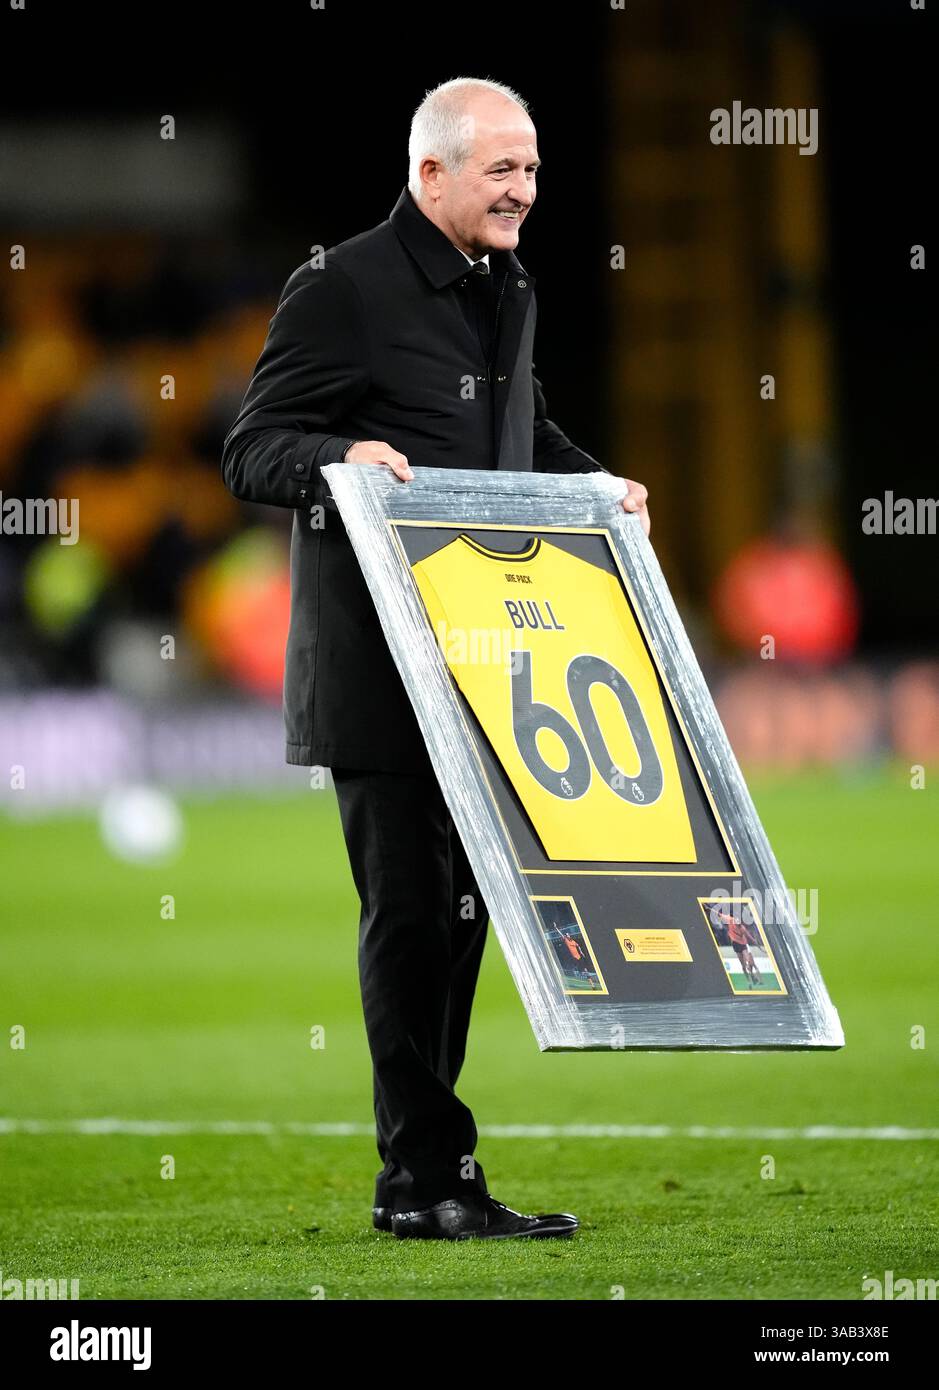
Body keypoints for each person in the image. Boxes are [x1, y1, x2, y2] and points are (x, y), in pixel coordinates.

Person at [222, 76, 651, 1240]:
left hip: (482, 670)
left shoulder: (504, 287)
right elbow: (253, 447)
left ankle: (432, 1173)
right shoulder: (342, 285)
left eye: (532, 171)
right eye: (501, 169)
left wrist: (595, 486)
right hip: (377, 675)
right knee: (410, 918)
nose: (524, 190)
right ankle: (422, 1180)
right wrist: (345, 459)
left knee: (460, 924)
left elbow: (524, 434)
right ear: (430, 173)